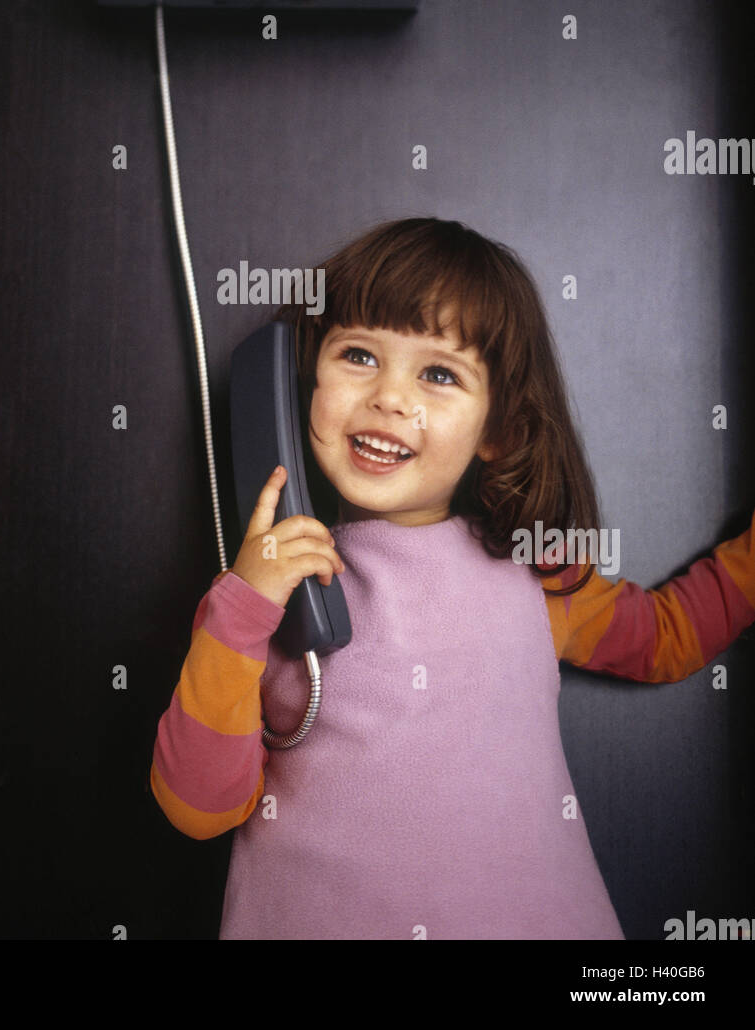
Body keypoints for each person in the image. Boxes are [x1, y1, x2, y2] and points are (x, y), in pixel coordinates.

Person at [150, 217, 754, 940]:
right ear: (295, 385)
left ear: (496, 430)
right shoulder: (263, 597)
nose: (389, 398)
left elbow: (664, 637)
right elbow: (198, 807)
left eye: (438, 374)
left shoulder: (533, 570)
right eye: (358, 356)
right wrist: (242, 607)